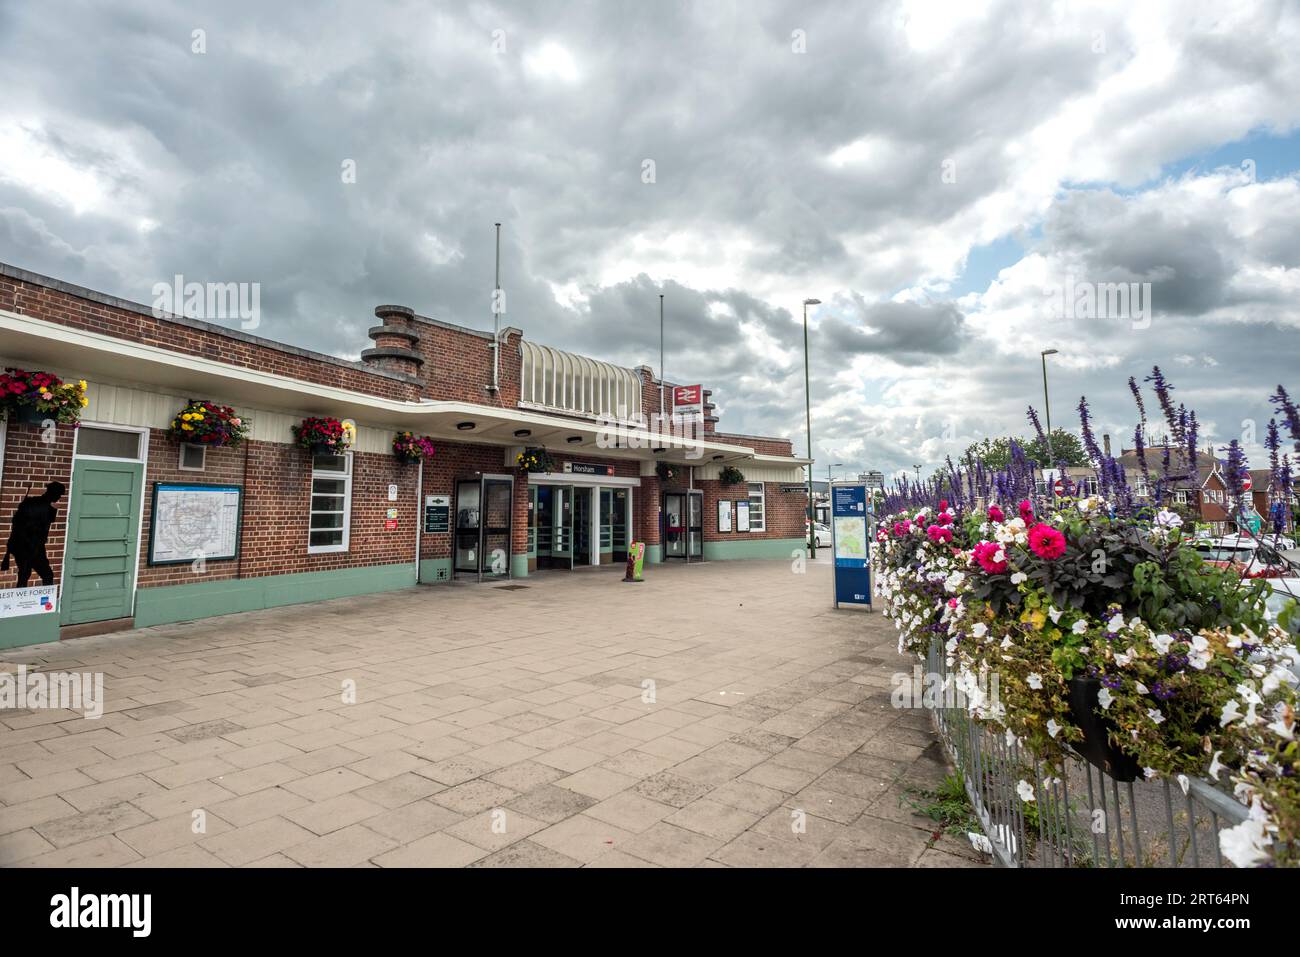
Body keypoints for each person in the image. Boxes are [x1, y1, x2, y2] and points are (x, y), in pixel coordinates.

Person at [1, 481, 66, 587]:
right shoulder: (38, 505)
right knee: (39, 574)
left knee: (26, 574)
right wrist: (31, 545)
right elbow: (20, 525)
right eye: (59, 494)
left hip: (31, 545)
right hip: (27, 545)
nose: (59, 498)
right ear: (53, 493)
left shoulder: (36, 504)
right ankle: (26, 596)